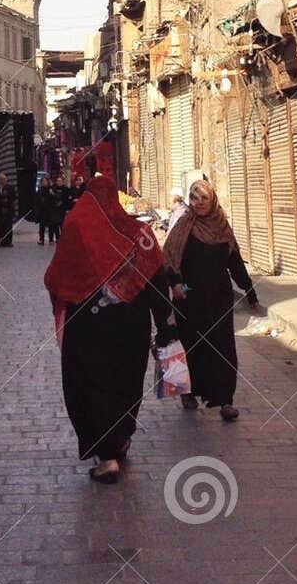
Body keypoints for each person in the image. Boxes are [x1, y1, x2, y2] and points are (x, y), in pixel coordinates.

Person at [45, 172, 176, 482]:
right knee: (126, 384)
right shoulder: (139, 234)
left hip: (88, 328)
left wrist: (63, 310)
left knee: (92, 387)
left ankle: (107, 457)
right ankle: (121, 437)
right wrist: (166, 325)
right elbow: (157, 281)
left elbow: (57, 279)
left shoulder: (78, 227)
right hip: (131, 327)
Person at [164, 179, 258, 422]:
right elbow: (170, 258)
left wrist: (250, 291)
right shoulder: (184, 225)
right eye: (195, 199)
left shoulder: (222, 228)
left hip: (219, 298)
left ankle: (226, 400)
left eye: (204, 199)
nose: (199, 203)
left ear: (213, 200)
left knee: (223, 347)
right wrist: (175, 283)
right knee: (194, 347)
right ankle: (190, 392)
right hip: (189, 298)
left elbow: (234, 262)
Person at [35, 175, 56, 246]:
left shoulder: (51, 189)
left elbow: (54, 199)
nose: (44, 183)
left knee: (51, 226)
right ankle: (41, 239)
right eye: (42, 181)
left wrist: (52, 194)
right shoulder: (40, 190)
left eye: (45, 181)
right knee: (42, 226)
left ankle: (51, 239)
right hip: (42, 211)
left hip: (50, 210)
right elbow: (37, 200)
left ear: (48, 182)